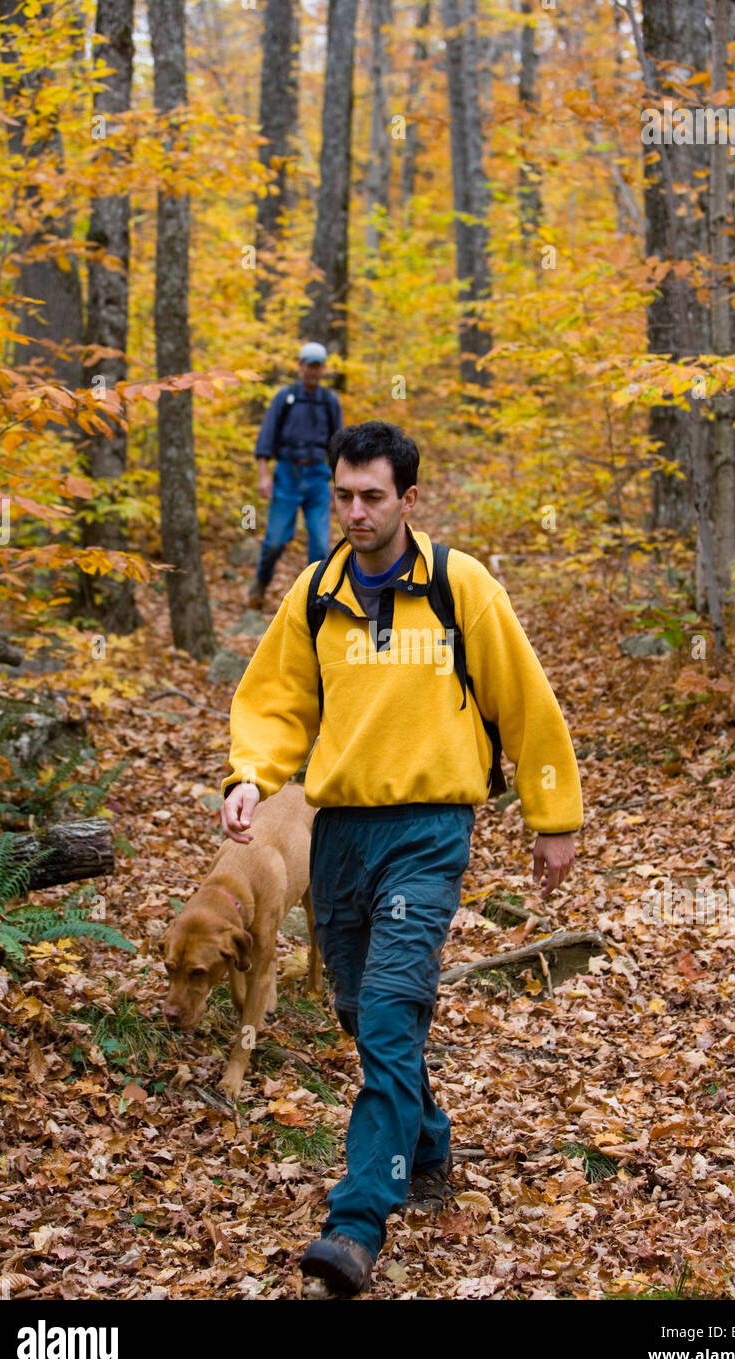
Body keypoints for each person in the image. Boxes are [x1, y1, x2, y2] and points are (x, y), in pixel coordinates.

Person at [220, 420, 583, 1296]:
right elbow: (274, 703)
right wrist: (249, 777)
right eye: (342, 494)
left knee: (388, 1011)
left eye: (372, 496)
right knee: (356, 1009)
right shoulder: (315, 593)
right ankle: (428, 1143)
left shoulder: (462, 586)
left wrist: (553, 814)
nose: (353, 510)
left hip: (430, 833)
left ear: (409, 499)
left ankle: (355, 1225)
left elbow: (524, 701)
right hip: (339, 832)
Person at [247, 342, 343, 610]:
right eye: (308, 365)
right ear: (300, 366)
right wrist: (263, 475)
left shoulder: (329, 401)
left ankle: (315, 602)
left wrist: (341, 486)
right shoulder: (284, 397)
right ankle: (260, 583)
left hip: (318, 476)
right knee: (275, 540)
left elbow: (339, 446)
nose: (313, 371)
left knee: (320, 547)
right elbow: (266, 437)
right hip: (287, 474)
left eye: (317, 366)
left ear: (322, 368)